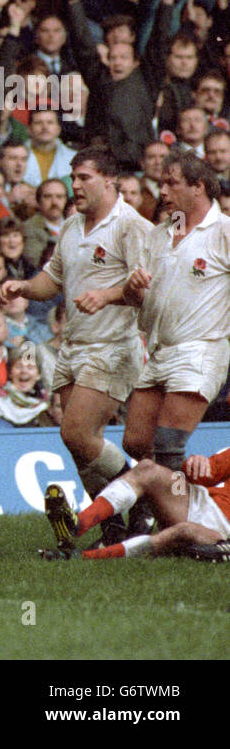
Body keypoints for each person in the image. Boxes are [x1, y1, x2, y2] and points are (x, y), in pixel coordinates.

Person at [0, 149, 150, 544]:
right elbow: (54, 279)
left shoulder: (130, 226)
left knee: (77, 432)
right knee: (78, 443)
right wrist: (24, 288)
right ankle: (114, 526)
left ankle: (141, 493)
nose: (74, 185)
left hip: (113, 344)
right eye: (73, 177)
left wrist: (108, 295)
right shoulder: (70, 226)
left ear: (109, 180)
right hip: (74, 345)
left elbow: (145, 289)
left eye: (83, 177)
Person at [115, 150, 230, 534]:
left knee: (167, 444)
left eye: (171, 183)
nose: (161, 190)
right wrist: (132, 290)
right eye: (161, 182)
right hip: (160, 349)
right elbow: (139, 297)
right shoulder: (159, 234)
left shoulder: (223, 232)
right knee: (136, 441)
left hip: (201, 348)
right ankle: (167, 504)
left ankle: (178, 523)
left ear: (198, 187)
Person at [40, 447, 230, 560]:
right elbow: (200, 474)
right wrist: (195, 463)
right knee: (147, 468)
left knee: (185, 530)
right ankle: (77, 524)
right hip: (199, 500)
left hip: (221, 532)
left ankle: (78, 557)